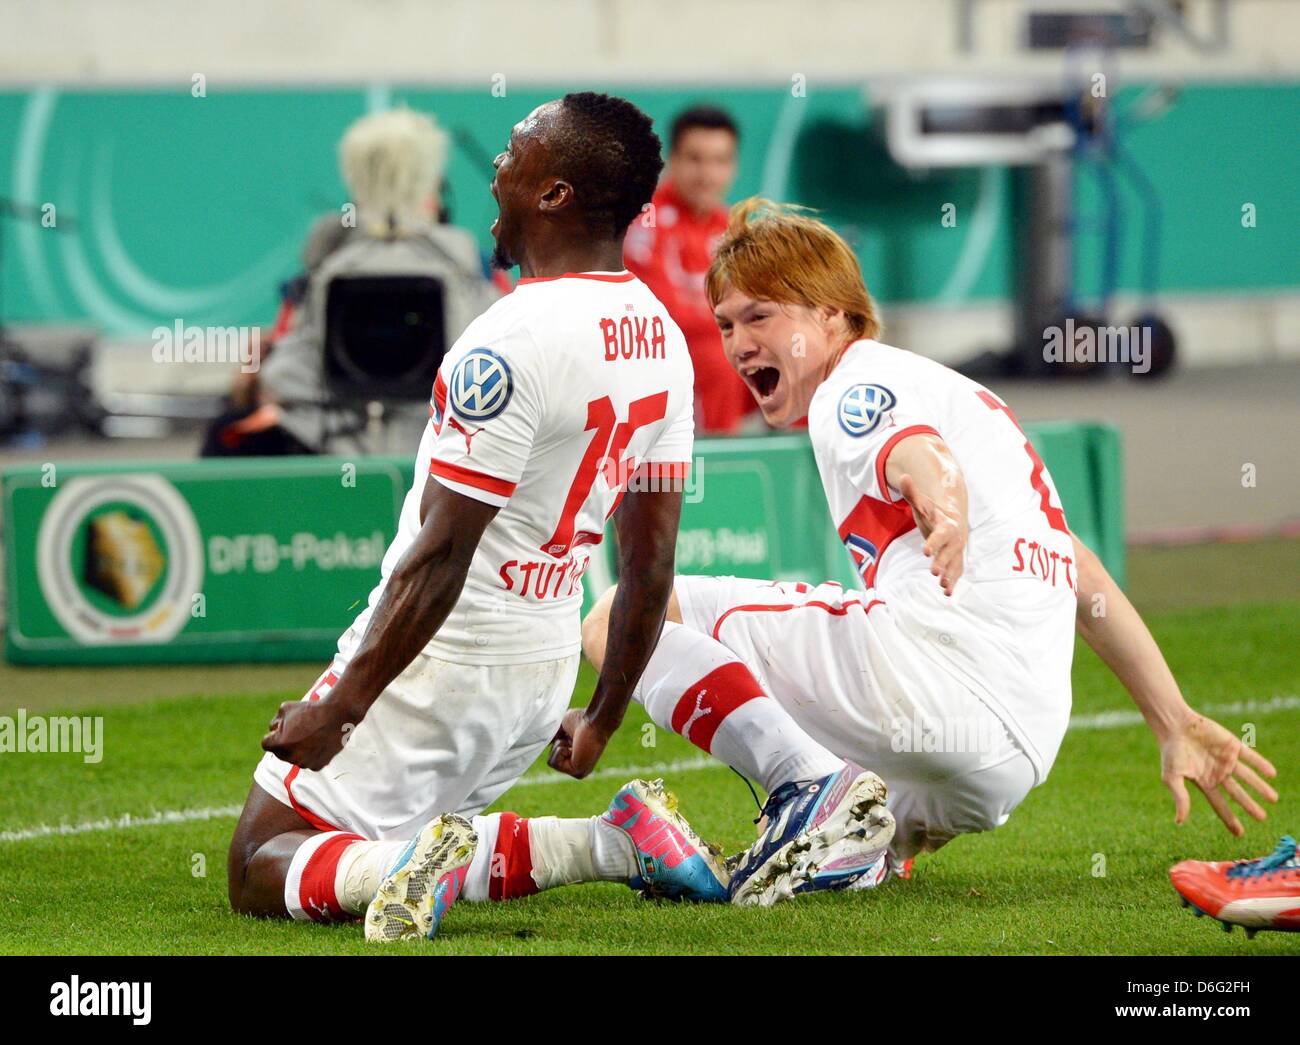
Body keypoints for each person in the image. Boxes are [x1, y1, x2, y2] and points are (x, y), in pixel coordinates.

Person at [574, 199, 1281, 905]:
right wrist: (1173, 719)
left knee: (617, 616)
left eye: (761, 316)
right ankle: (866, 844)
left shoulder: (852, 386)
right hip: (1007, 765)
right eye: (727, 323)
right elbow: (1083, 575)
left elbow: (915, 451)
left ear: (832, 313)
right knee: (841, 832)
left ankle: (808, 786)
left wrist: (945, 506)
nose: (738, 342)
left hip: (935, 678)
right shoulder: (953, 392)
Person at [226, 93, 745, 941]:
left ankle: (405, 869)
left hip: (448, 656)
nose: (497, 170)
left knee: (261, 857)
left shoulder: (506, 339)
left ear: (554, 195)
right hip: (542, 672)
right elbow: (650, 563)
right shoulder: (658, 334)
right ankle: (616, 843)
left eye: (513, 153)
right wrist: (605, 710)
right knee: (401, 836)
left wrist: (346, 701)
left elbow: (438, 556)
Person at [203, 108, 497, 456]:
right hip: (450, 449)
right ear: (431, 183)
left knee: (227, 435)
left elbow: (285, 373)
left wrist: (259, 375)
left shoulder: (327, 262)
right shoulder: (466, 264)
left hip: (325, 441)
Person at [625, 106, 753, 434]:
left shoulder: (731, 227)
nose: (707, 174)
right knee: (718, 358)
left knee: (801, 356)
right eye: (695, 159)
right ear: (673, 160)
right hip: (652, 355)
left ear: (733, 167)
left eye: (719, 161)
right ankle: (715, 467)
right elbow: (663, 316)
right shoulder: (647, 219)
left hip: (721, 347)